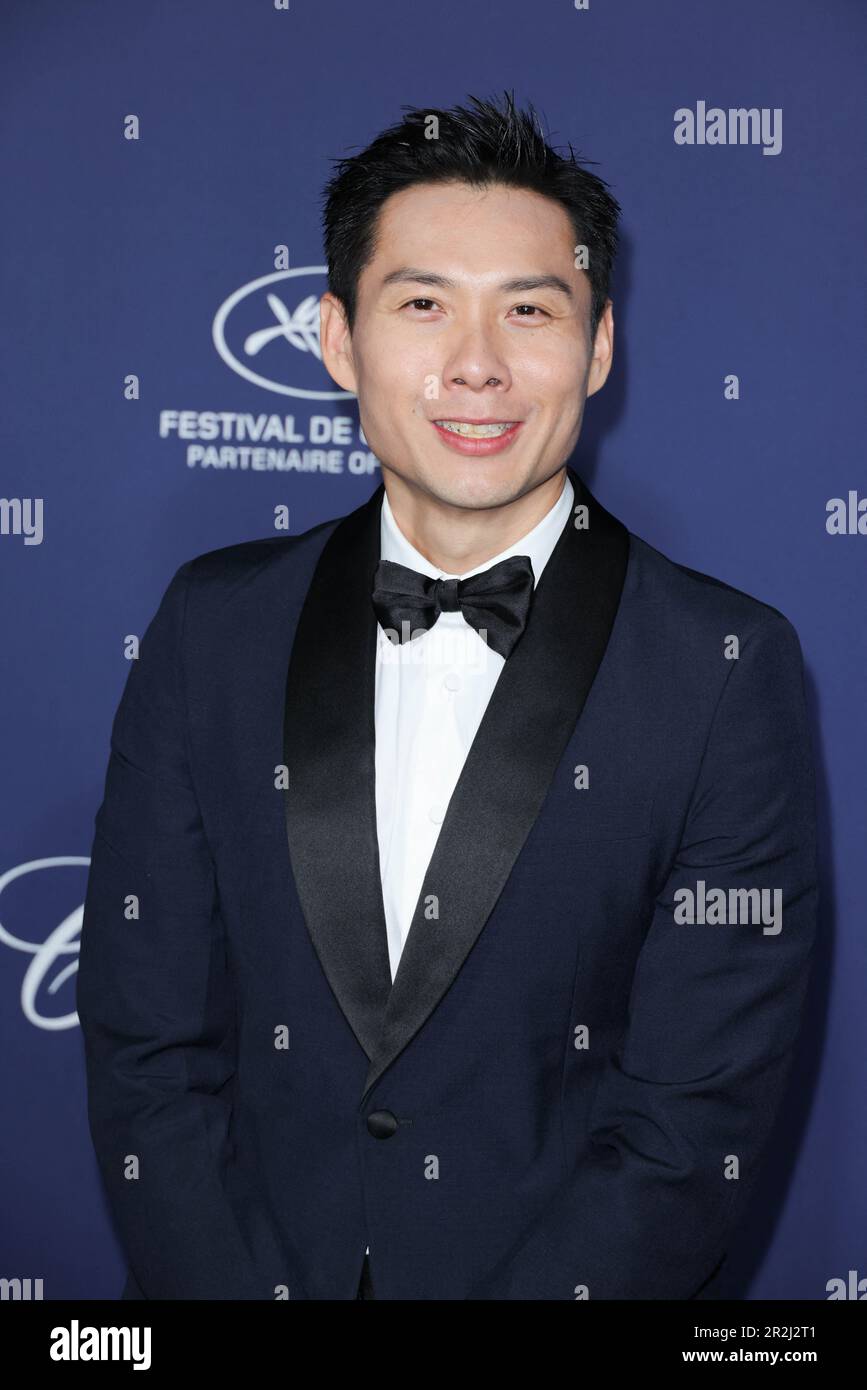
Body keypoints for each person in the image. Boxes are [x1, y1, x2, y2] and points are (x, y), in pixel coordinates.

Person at [77, 92, 818, 1300]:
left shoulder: (724, 668)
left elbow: (691, 1125)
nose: (477, 363)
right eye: (423, 305)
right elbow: (148, 1046)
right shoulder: (213, 627)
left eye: (530, 309)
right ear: (337, 338)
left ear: (599, 346)